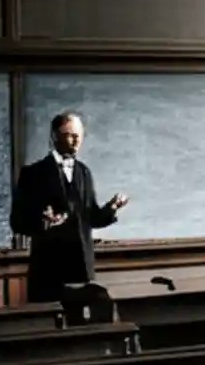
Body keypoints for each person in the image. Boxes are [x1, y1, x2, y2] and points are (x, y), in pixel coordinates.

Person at [10, 111, 129, 303]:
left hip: (82, 271)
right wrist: (43, 222)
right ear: (55, 136)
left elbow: (91, 218)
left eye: (79, 136)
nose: (76, 141)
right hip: (49, 271)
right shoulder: (33, 174)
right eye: (70, 135)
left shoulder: (84, 173)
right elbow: (17, 222)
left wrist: (112, 207)